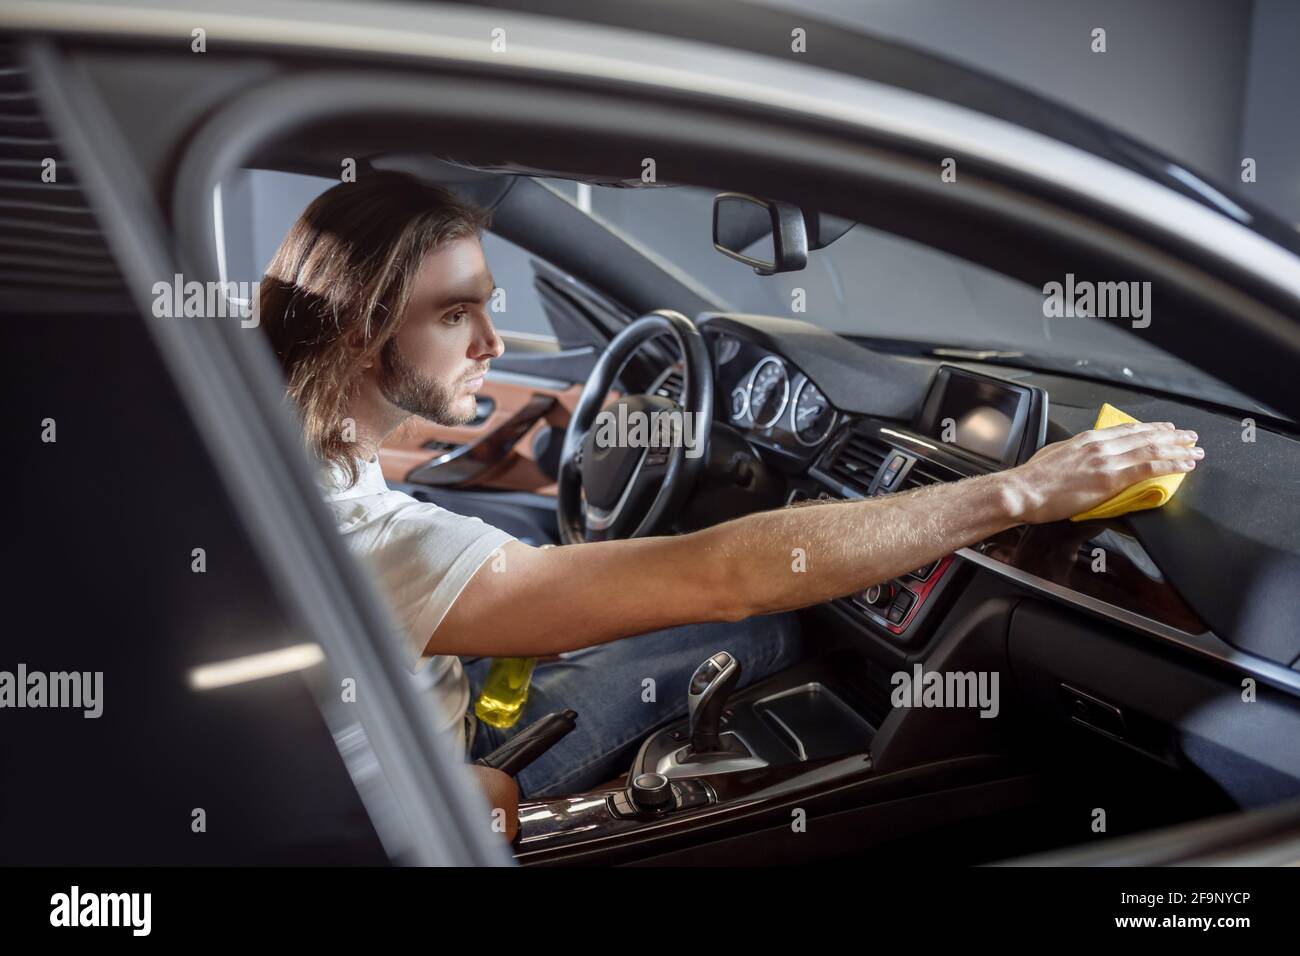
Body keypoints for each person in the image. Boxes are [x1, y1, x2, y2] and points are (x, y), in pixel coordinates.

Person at [260, 173, 1203, 802]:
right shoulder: (362, 534)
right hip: (419, 810)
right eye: (457, 314)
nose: (494, 347)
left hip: (412, 760)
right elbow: (724, 577)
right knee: (765, 628)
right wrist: (1016, 494)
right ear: (359, 327)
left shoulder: (287, 455)